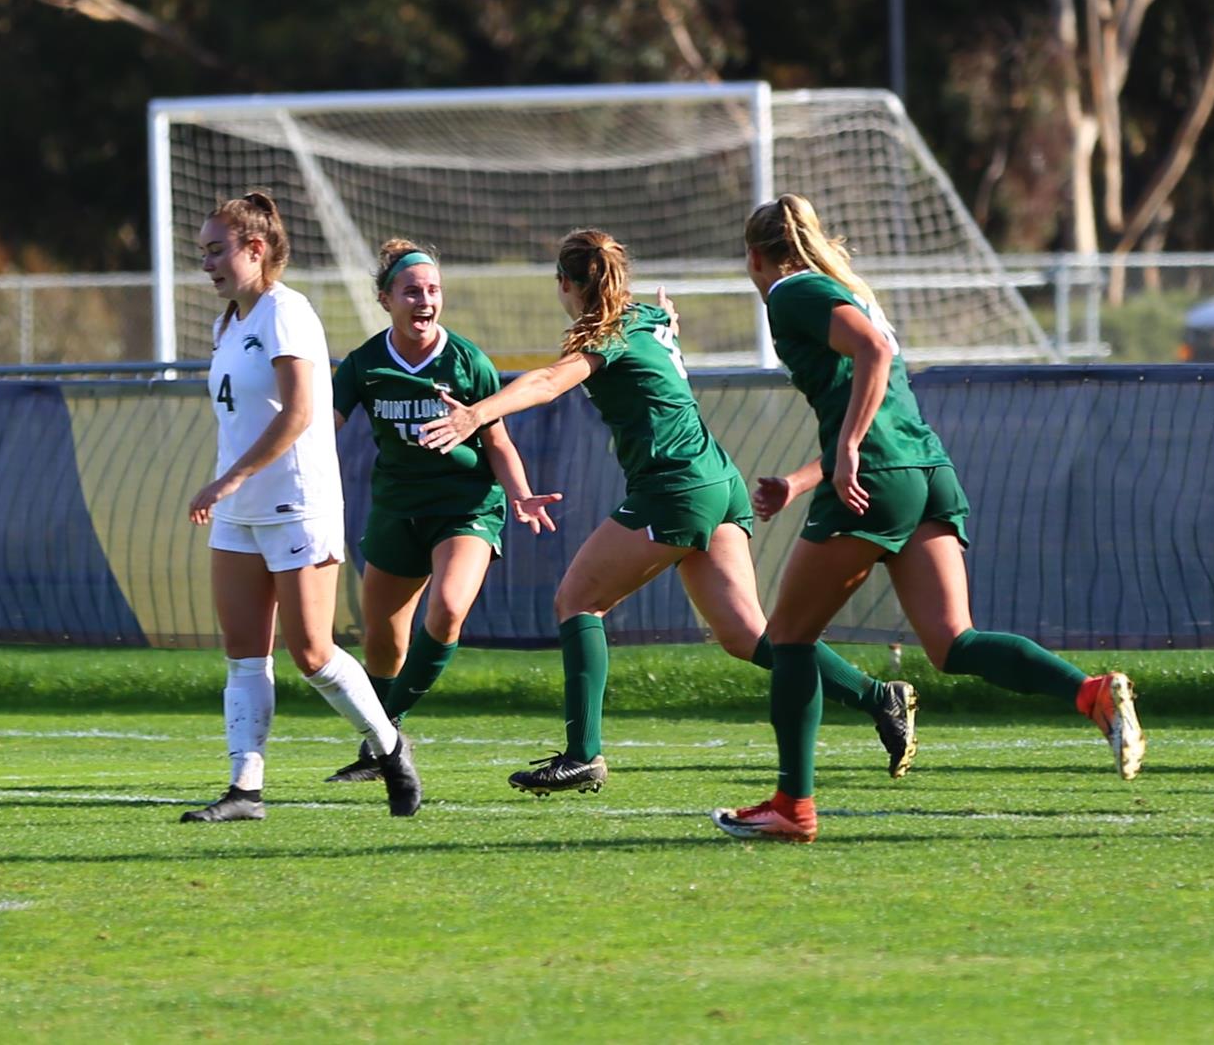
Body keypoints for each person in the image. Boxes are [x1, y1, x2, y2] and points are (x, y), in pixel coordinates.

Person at [418, 228, 917, 795]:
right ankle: (881, 697)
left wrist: (473, 415)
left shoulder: (607, 334)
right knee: (746, 634)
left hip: (676, 488)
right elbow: (655, 339)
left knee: (577, 600)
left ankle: (584, 754)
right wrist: (668, 319)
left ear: (566, 285)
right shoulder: (647, 321)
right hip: (717, 481)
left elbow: (551, 381)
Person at [713, 193, 1145, 844]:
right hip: (922, 472)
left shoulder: (790, 292)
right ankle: (1089, 692)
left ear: (754, 256)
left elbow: (871, 362)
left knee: (790, 641)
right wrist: (808, 477)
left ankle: (793, 807)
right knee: (952, 643)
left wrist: (851, 449)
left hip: (880, 476)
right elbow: (872, 393)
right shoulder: (847, 290)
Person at [183, 191, 419, 822]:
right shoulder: (226, 323)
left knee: (311, 653)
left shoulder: (287, 313)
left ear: (255, 250)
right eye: (202, 251)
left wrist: (227, 480)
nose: (205, 263)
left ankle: (391, 748)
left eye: (216, 250)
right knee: (243, 654)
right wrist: (229, 486)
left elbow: (300, 414)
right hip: (239, 509)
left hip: (295, 502)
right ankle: (244, 790)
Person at [324, 239, 562, 783]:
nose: (425, 300)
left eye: (433, 290)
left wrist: (521, 494)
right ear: (386, 299)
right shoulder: (364, 364)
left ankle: (384, 735)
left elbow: (497, 440)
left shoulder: (467, 360)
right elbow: (321, 433)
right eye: (411, 290)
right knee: (382, 641)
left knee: (449, 607)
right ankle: (383, 742)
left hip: (465, 507)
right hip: (397, 509)